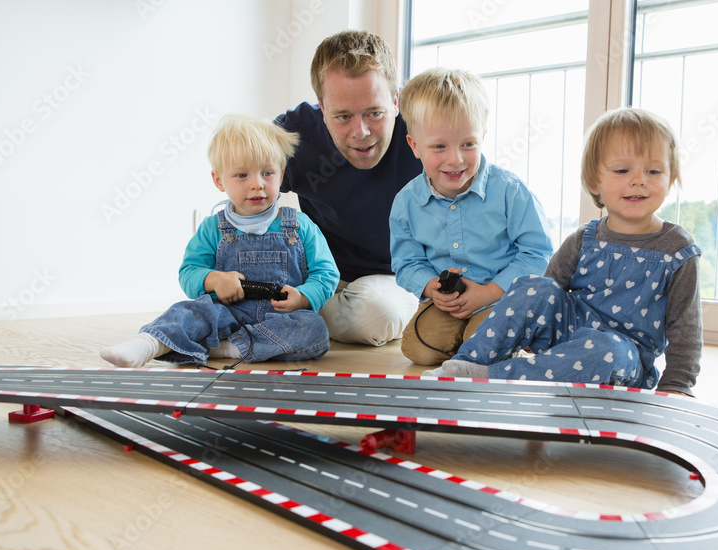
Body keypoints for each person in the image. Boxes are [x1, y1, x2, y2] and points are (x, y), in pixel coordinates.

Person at [428, 107, 702, 396]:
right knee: (532, 286)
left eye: (654, 171)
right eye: (622, 170)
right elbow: (546, 294)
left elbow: (686, 329)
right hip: (569, 335)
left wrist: (677, 387)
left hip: (623, 357)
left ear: (670, 178)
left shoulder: (678, 251)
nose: (639, 180)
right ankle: (464, 366)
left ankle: (493, 377)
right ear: (595, 180)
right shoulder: (585, 238)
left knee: (607, 350)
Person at [100, 114, 339, 368]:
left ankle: (230, 348)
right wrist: (214, 279)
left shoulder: (300, 226)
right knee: (189, 311)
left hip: (280, 318)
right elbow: (189, 272)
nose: (257, 184)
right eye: (242, 175)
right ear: (218, 181)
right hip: (226, 313)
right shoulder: (213, 228)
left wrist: (303, 296)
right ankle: (149, 343)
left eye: (267, 173)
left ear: (281, 177)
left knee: (313, 329)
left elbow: (326, 273)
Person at [389, 67, 553, 366]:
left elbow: (536, 253)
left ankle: (494, 343)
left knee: (483, 344)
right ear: (414, 145)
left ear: (483, 137)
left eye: (468, 144)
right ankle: (474, 347)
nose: (456, 159)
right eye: (439, 147)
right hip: (448, 304)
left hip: (501, 298)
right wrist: (431, 289)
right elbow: (406, 262)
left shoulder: (510, 191)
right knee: (418, 350)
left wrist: (488, 293)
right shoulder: (406, 203)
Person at [274, 30, 422, 347]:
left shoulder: (427, 124)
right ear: (322, 109)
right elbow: (243, 187)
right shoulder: (294, 133)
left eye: (375, 113)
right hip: (318, 273)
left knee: (378, 312)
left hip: (393, 280)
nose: (361, 132)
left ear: (396, 100)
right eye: (342, 116)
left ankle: (296, 315)